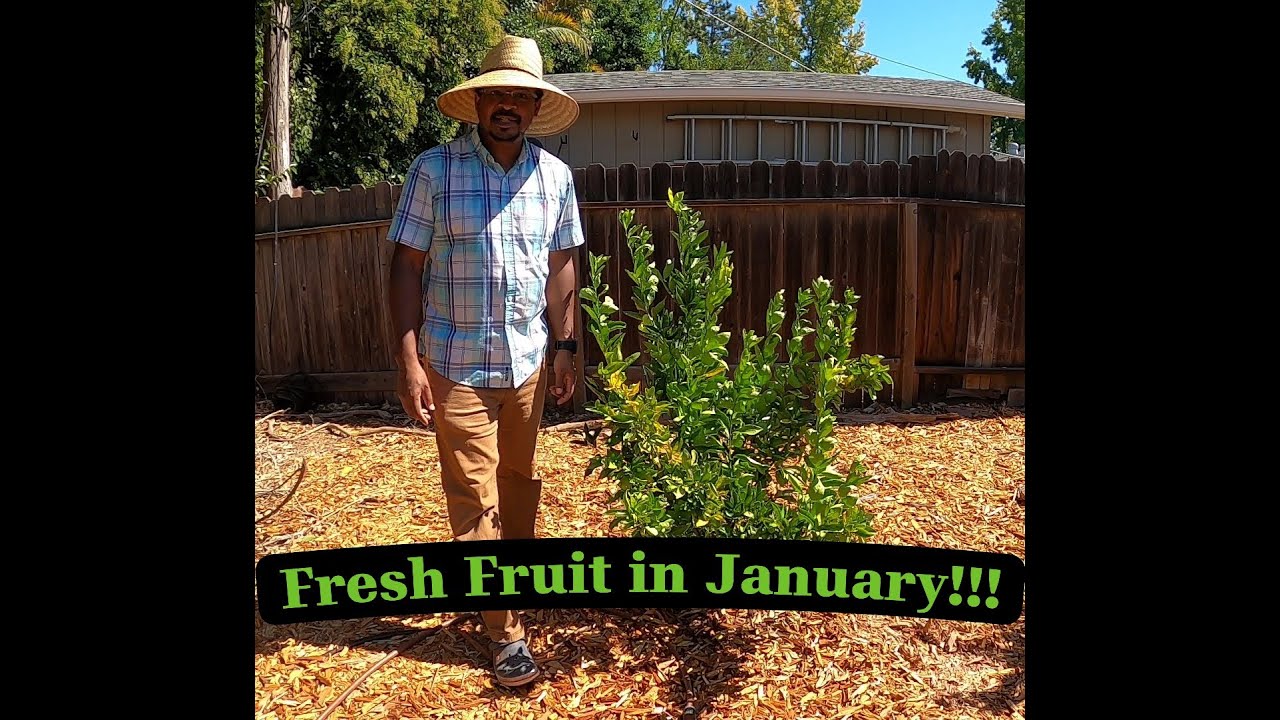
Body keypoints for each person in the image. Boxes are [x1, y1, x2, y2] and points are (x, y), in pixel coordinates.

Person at [383, 35, 583, 688]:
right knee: (476, 495)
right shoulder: (433, 171)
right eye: (496, 93)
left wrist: (565, 346)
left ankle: (506, 585)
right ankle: (505, 633)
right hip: (455, 362)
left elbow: (561, 265)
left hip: (527, 362)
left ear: (535, 107)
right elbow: (406, 265)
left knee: (518, 483)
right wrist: (409, 360)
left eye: (520, 96)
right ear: (476, 102)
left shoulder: (555, 178)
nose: (507, 105)